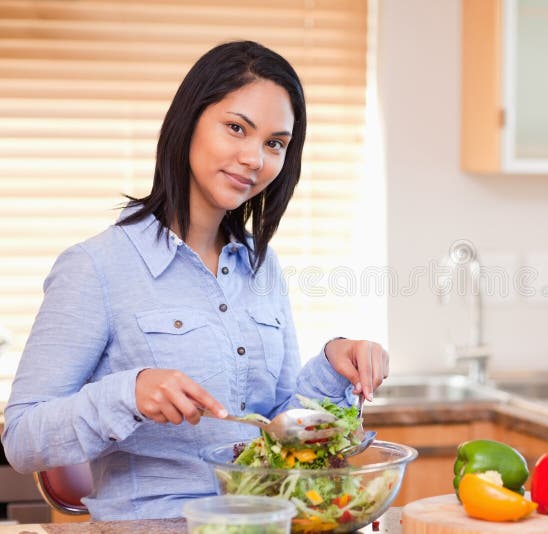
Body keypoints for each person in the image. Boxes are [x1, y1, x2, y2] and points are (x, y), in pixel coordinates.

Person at [0, 40, 389, 520]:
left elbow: (276, 426)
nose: (254, 158)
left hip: (262, 523)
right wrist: (129, 393)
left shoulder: (261, 266)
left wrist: (335, 364)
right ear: (188, 122)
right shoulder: (97, 266)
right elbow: (21, 438)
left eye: (275, 143)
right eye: (236, 128)